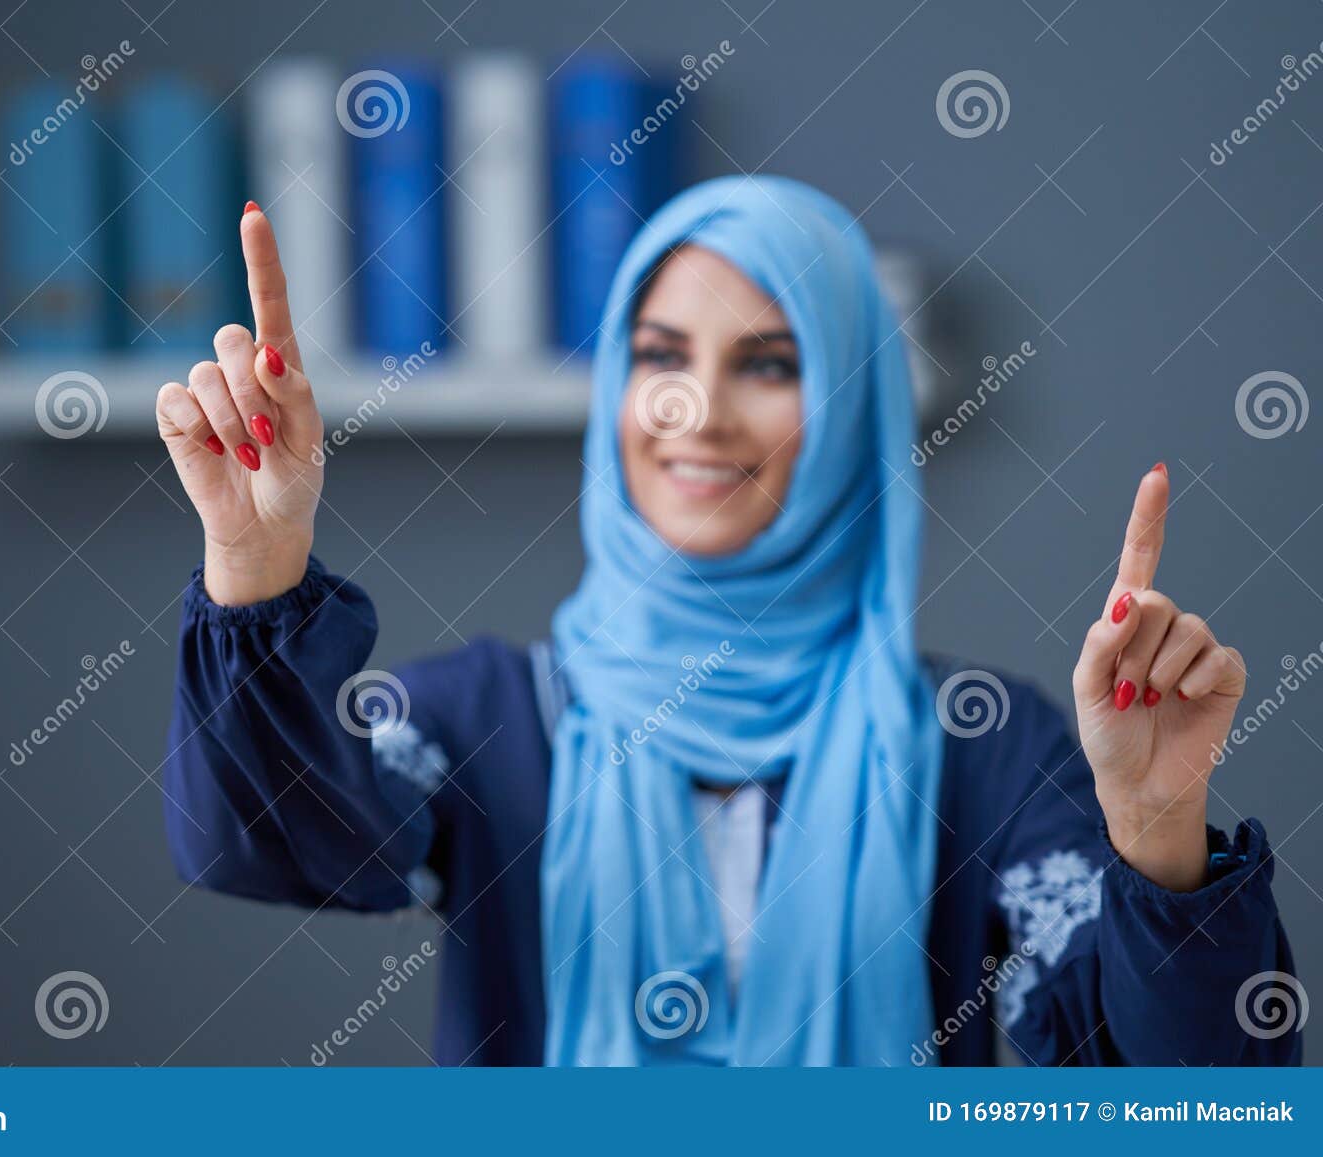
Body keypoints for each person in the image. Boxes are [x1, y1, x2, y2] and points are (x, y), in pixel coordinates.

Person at [154, 177, 1300, 1066]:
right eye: (659, 355)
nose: (694, 412)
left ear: (852, 409)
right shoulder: (493, 716)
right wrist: (252, 569)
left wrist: (1158, 836)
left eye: (768, 363)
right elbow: (262, 838)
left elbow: (1186, 1096)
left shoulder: (979, 746)